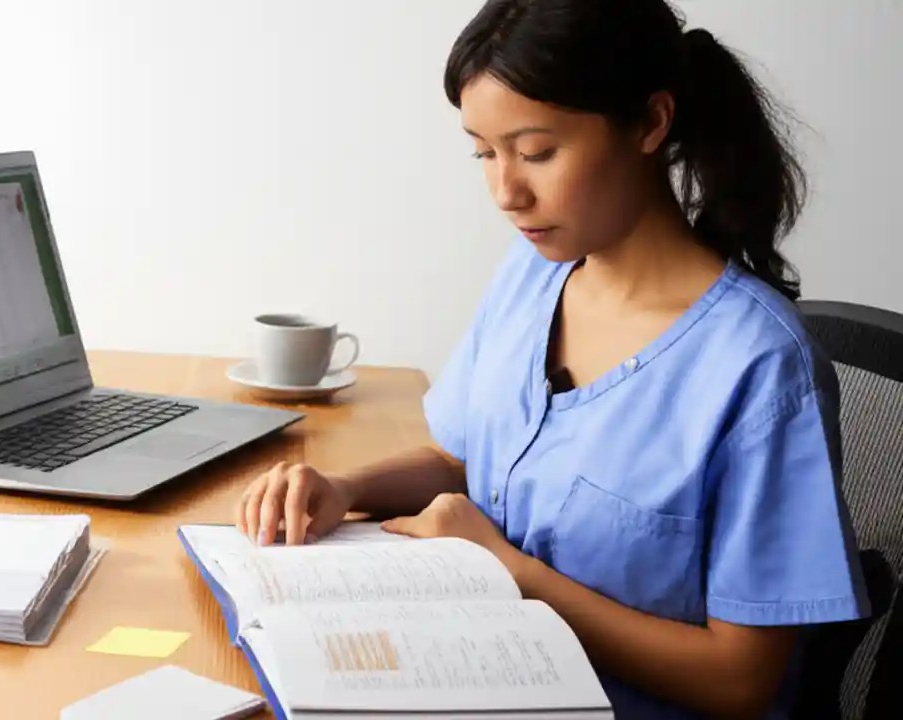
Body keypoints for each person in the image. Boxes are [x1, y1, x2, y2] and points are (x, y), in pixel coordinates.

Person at [234, 0, 869, 717]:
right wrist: (346, 488)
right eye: (484, 152)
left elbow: (740, 681)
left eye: (536, 152)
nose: (506, 191)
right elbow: (476, 464)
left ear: (652, 124)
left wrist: (509, 573)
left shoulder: (759, 367)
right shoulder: (536, 273)